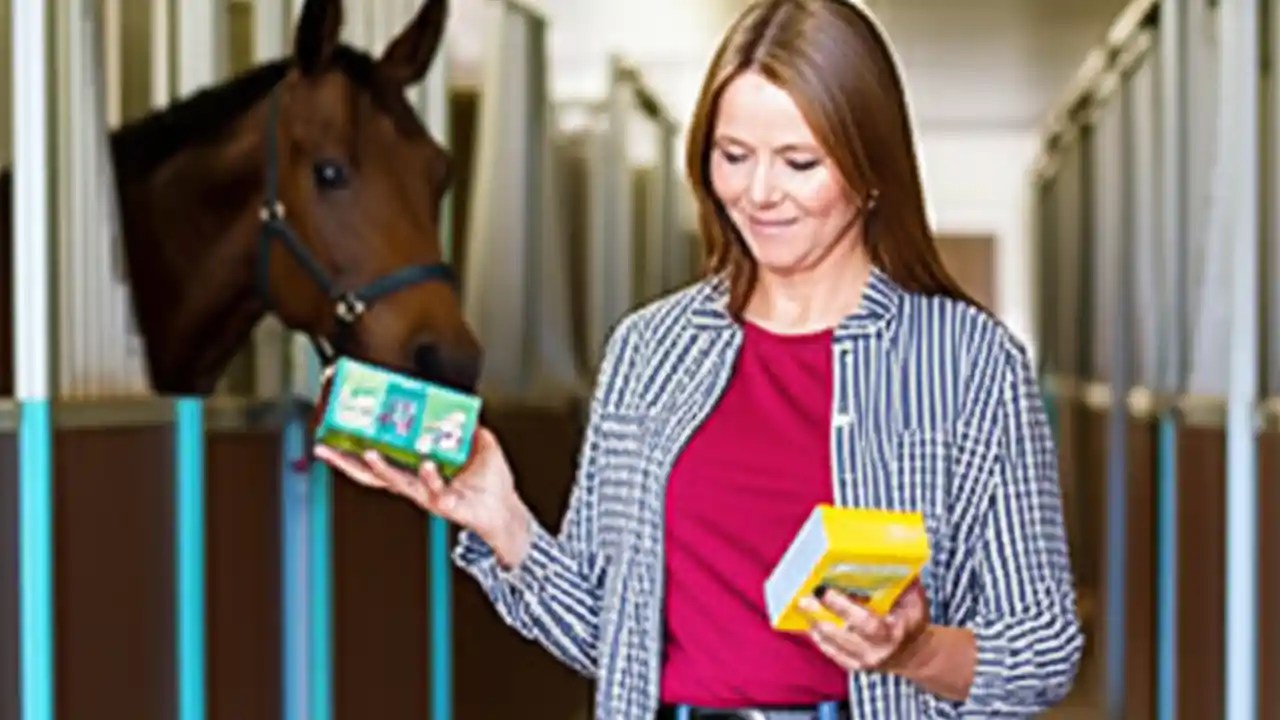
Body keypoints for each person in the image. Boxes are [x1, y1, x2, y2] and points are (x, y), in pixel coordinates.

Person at [316, 0, 1084, 717]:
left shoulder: (968, 364)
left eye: (799, 163)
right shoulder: (650, 352)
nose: (758, 193)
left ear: (870, 169)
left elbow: (1045, 650)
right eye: (733, 154)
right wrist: (502, 521)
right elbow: (607, 640)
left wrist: (915, 650)